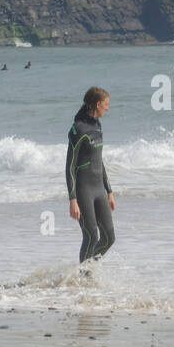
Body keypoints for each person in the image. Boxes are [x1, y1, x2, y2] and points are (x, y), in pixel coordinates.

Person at [66, 87, 116, 264]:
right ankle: (84, 276)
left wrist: (109, 191)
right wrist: (72, 199)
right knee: (91, 236)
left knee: (109, 237)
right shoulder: (78, 129)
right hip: (83, 190)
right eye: (106, 104)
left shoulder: (97, 126)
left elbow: (98, 160)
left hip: (99, 189)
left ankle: (87, 269)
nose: (107, 108)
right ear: (97, 104)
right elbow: (70, 166)